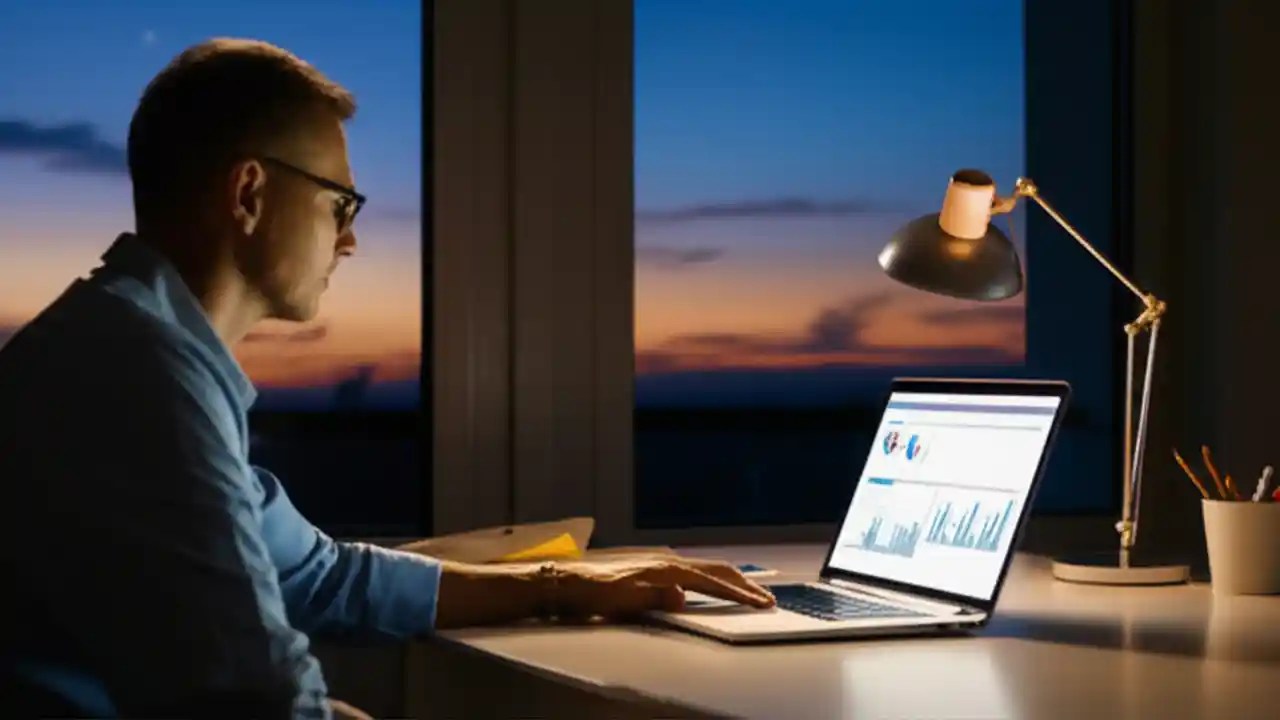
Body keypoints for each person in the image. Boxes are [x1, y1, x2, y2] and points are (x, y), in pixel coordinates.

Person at [0, 38, 774, 719]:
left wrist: (562, 587)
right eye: (339, 203)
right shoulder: (138, 375)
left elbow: (319, 574)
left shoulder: (132, 346)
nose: (351, 240)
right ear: (249, 194)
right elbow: (253, 699)